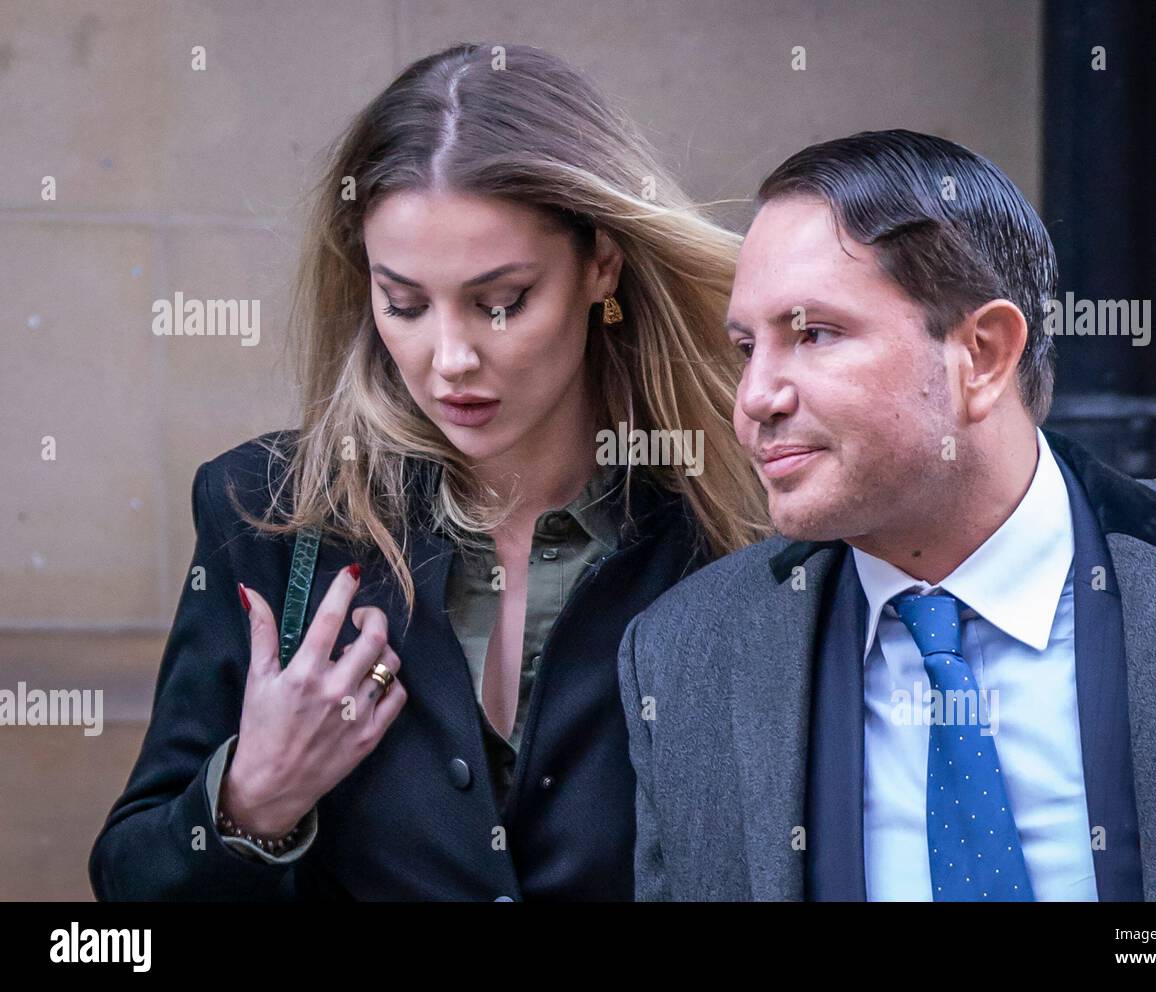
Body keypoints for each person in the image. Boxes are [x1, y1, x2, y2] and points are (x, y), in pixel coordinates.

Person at [88, 43, 768, 901]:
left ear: (601, 262)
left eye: (500, 302)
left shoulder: (741, 530)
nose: (449, 359)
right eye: (403, 303)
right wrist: (252, 797)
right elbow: (128, 892)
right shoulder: (268, 514)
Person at [618, 128, 1156, 901]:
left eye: (813, 334)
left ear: (982, 353)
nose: (754, 400)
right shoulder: (682, 658)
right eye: (748, 347)